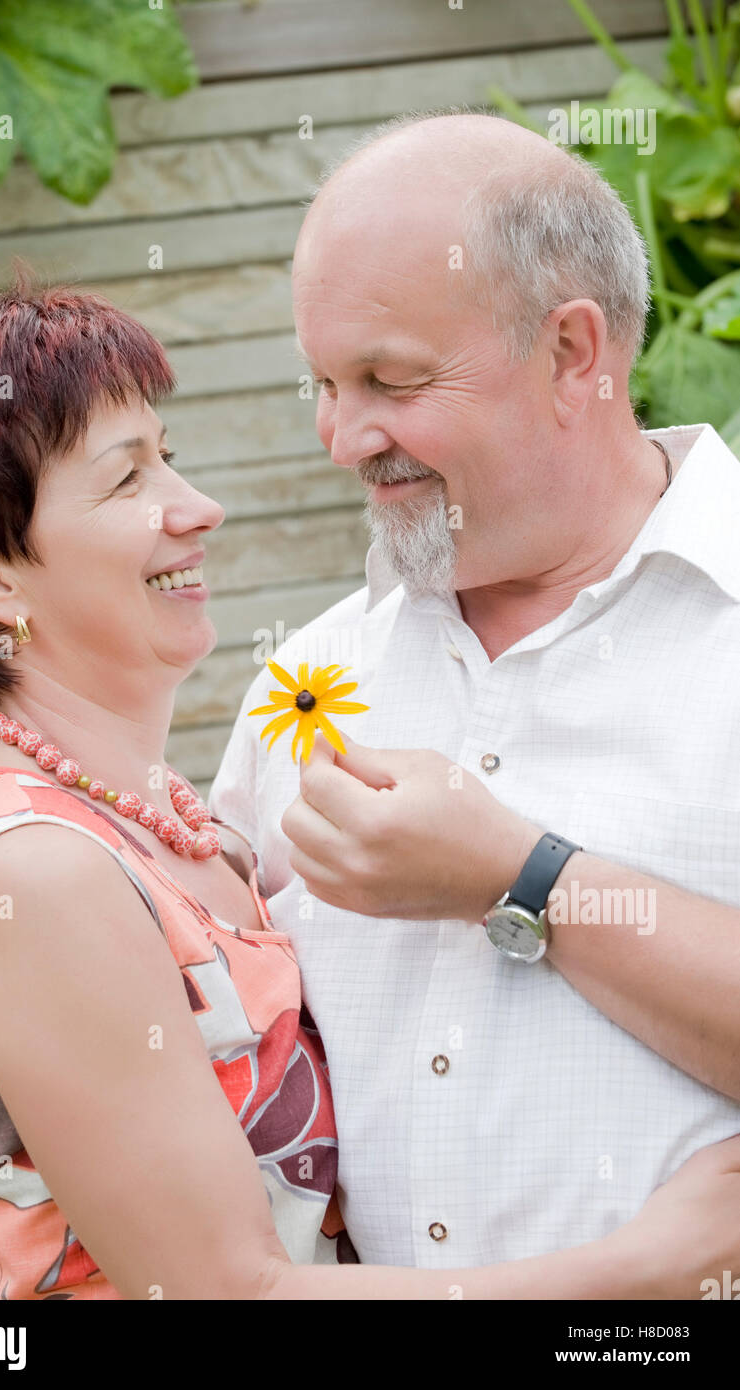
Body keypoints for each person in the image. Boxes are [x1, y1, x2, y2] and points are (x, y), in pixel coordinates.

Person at [0, 282, 740, 1301]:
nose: (199, 506)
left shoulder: (176, 821)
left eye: (170, 454)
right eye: (125, 481)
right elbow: (235, 1293)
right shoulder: (36, 877)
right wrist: (653, 1266)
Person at [208, 111, 740, 1270]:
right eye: (323, 384)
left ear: (571, 353)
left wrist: (521, 878)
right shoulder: (305, 687)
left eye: (389, 380)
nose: (343, 437)